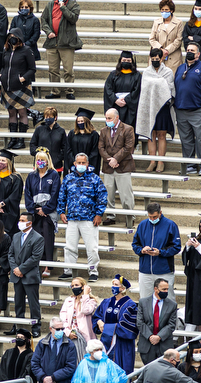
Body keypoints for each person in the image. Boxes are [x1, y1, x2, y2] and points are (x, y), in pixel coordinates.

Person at [58, 154, 107, 282]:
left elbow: (102, 197)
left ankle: (93, 271)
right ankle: (68, 271)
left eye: (83, 163)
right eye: (78, 163)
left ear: (87, 163)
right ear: (74, 163)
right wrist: (61, 212)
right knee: (70, 247)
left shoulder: (95, 178)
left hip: (89, 219)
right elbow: (62, 196)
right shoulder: (68, 178)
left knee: (91, 248)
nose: (81, 165)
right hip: (72, 218)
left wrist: (99, 214)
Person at [174, 42, 201, 176]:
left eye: (192, 50)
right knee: (186, 140)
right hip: (181, 110)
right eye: (188, 50)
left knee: (200, 139)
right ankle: (190, 165)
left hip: (197, 110)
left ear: (198, 54)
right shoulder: (180, 68)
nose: (189, 52)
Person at [132, 203, 181, 298]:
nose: (152, 219)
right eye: (150, 217)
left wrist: (160, 252)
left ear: (160, 213)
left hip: (164, 270)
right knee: (145, 300)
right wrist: (141, 250)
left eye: (154, 217)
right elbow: (135, 244)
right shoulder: (142, 225)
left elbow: (176, 247)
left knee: (167, 300)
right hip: (145, 270)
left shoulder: (170, 225)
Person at [42, 0, 82, 99]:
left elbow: (73, 18)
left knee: (68, 70)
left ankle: (69, 91)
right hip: (52, 42)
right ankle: (55, 91)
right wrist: (48, 31)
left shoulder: (73, 4)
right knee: (53, 70)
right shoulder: (50, 4)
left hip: (67, 43)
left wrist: (63, 7)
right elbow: (43, 20)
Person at [24, 148, 60, 278]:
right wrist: (34, 209)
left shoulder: (54, 175)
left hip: (48, 212)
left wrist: (45, 209)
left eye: (43, 160)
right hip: (35, 212)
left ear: (47, 161)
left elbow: (55, 194)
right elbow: (27, 194)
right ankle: (35, 265)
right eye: (38, 160)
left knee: (47, 237)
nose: (40, 162)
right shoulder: (31, 176)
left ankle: (48, 266)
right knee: (35, 238)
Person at [92, 275, 138, 373]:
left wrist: (106, 327)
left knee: (121, 370)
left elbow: (126, 326)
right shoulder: (106, 302)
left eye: (116, 285)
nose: (113, 287)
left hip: (122, 344)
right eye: (112, 284)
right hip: (105, 342)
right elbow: (97, 316)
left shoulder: (131, 305)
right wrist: (99, 322)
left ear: (123, 288)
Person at [137, 48, 176, 165]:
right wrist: (159, 82)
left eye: (157, 59)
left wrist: (155, 83)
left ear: (161, 59)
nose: (155, 61)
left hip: (163, 106)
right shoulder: (146, 72)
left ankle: (161, 162)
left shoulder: (168, 72)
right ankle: (152, 161)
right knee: (151, 134)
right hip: (150, 106)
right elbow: (144, 89)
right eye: (152, 59)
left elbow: (169, 88)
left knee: (161, 134)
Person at [9, 212, 45, 335]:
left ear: (29, 223)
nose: (20, 222)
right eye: (20, 220)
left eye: (23, 220)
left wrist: (21, 269)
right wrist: (15, 269)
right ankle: (18, 326)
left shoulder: (38, 238)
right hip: (17, 275)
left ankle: (36, 328)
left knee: (33, 303)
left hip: (30, 275)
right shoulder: (16, 236)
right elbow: (10, 254)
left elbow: (35, 257)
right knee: (18, 302)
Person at [1, 31, 36, 150]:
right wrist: (1, 75)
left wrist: (22, 78)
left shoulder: (26, 50)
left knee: (22, 113)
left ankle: (21, 139)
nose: (12, 39)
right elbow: (3, 66)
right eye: (10, 37)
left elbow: (32, 69)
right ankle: (13, 139)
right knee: (11, 113)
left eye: (14, 37)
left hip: (21, 87)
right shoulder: (6, 51)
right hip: (7, 87)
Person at [99, 108, 135, 222]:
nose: (107, 120)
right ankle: (110, 216)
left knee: (126, 194)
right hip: (108, 166)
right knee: (108, 194)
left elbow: (128, 147)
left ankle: (130, 216)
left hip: (123, 166)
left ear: (117, 117)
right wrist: (109, 160)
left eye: (109, 118)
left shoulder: (128, 129)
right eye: (106, 118)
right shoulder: (103, 130)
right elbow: (101, 147)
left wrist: (116, 159)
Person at [136, 279, 177, 365]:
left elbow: (171, 324)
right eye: (163, 289)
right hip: (147, 344)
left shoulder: (172, 305)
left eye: (167, 289)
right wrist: (150, 336)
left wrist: (159, 337)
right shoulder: (143, 302)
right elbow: (140, 322)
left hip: (164, 344)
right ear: (156, 289)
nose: (166, 291)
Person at [0, 150, 24, 237]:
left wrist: (1, 204)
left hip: (8, 212)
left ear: (9, 162)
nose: (0, 162)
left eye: (3, 160)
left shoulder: (15, 178)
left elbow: (15, 196)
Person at [31, 318, 78, 383]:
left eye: (62, 329)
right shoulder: (42, 343)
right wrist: (43, 377)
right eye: (58, 329)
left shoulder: (70, 345)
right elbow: (34, 363)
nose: (61, 331)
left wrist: (53, 377)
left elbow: (70, 367)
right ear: (51, 329)